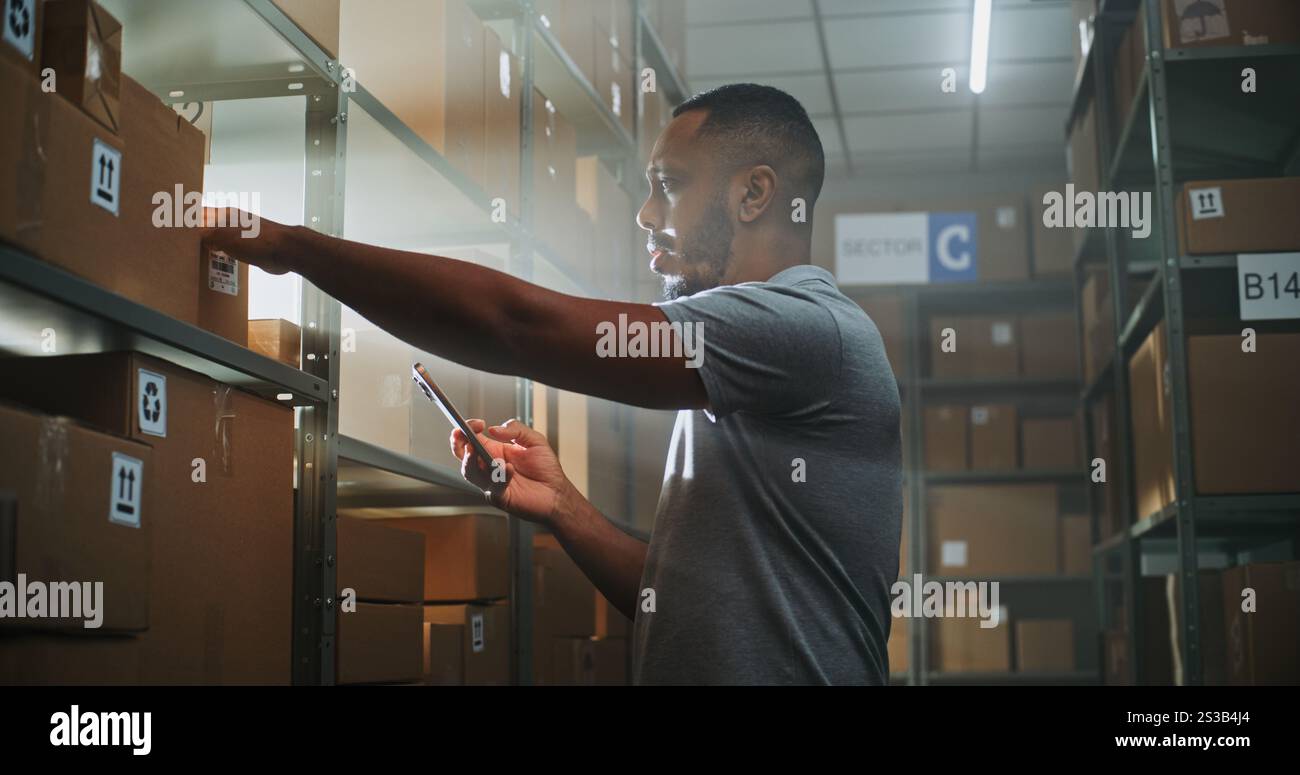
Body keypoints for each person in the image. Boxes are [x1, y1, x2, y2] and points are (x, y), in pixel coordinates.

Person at [203, 84, 901, 685]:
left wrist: (292, 247)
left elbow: (518, 326)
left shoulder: (804, 330)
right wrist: (564, 504)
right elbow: (674, 601)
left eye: (670, 184)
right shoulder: (742, 361)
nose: (647, 214)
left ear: (754, 193)